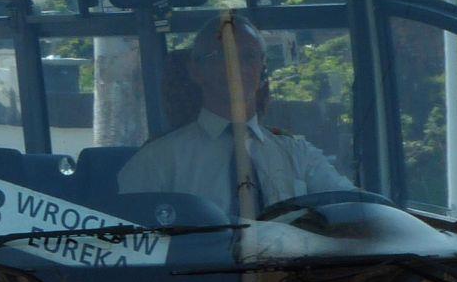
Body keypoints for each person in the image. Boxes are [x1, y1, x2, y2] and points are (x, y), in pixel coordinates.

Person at [118, 12, 351, 218]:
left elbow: (356, 211)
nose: (235, 67)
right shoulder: (157, 161)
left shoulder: (297, 154)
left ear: (262, 70)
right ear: (195, 70)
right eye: (220, 55)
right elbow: (131, 243)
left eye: (248, 56)